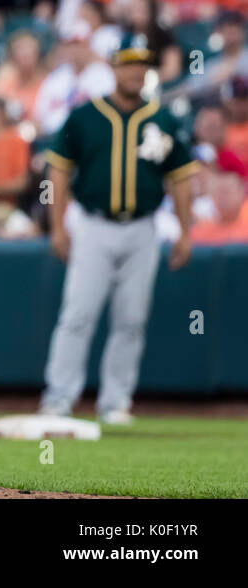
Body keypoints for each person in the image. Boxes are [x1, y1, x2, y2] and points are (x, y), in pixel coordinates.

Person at [39, 35, 199, 424]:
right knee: (79, 313)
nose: (136, 71)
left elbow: (180, 179)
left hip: (143, 227)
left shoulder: (163, 118)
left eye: (143, 64)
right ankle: (59, 398)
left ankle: (115, 402)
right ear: (113, 67)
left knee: (131, 319)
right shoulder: (84, 116)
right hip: (94, 224)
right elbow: (58, 171)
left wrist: (185, 231)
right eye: (128, 63)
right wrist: (57, 226)